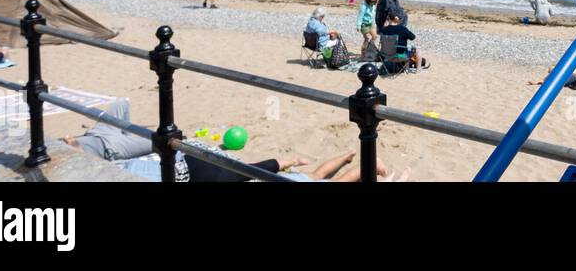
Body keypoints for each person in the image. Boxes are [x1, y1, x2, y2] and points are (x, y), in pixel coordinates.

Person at [62, 99, 388, 182]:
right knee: (316, 176)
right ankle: (354, 157)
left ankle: (351, 157)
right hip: (195, 163)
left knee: (315, 176)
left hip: (194, 164)